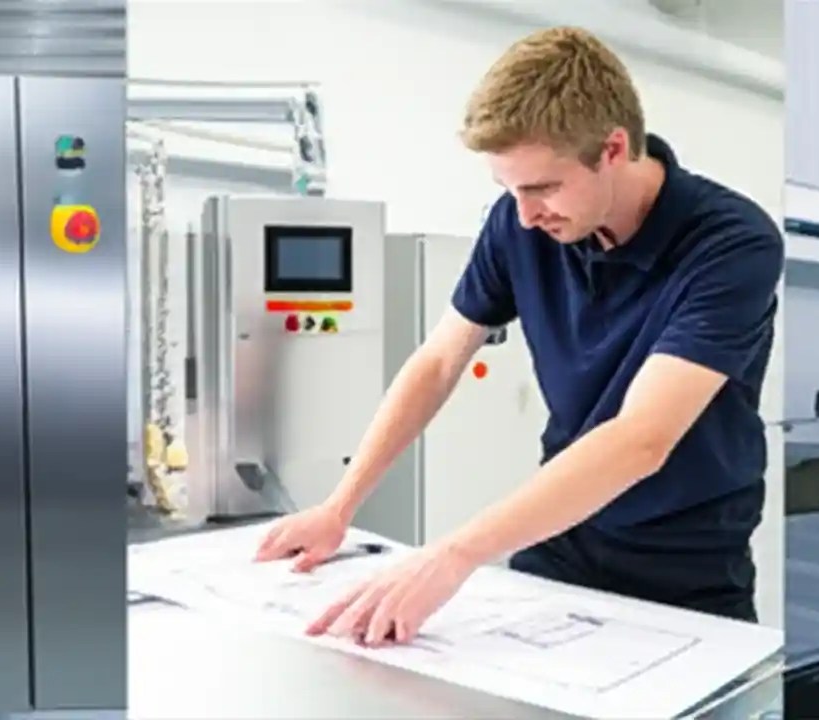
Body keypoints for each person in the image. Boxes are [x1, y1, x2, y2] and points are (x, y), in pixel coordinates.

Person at [254, 25, 783, 647]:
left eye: (543, 187)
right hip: (560, 539)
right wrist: (339, 507)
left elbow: (642, 438)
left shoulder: (731, 244)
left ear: (613, 148)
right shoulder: (521, 223)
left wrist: (453, 553)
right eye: (509, 189)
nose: (525, 213)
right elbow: (439, 361)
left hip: (689, 564)